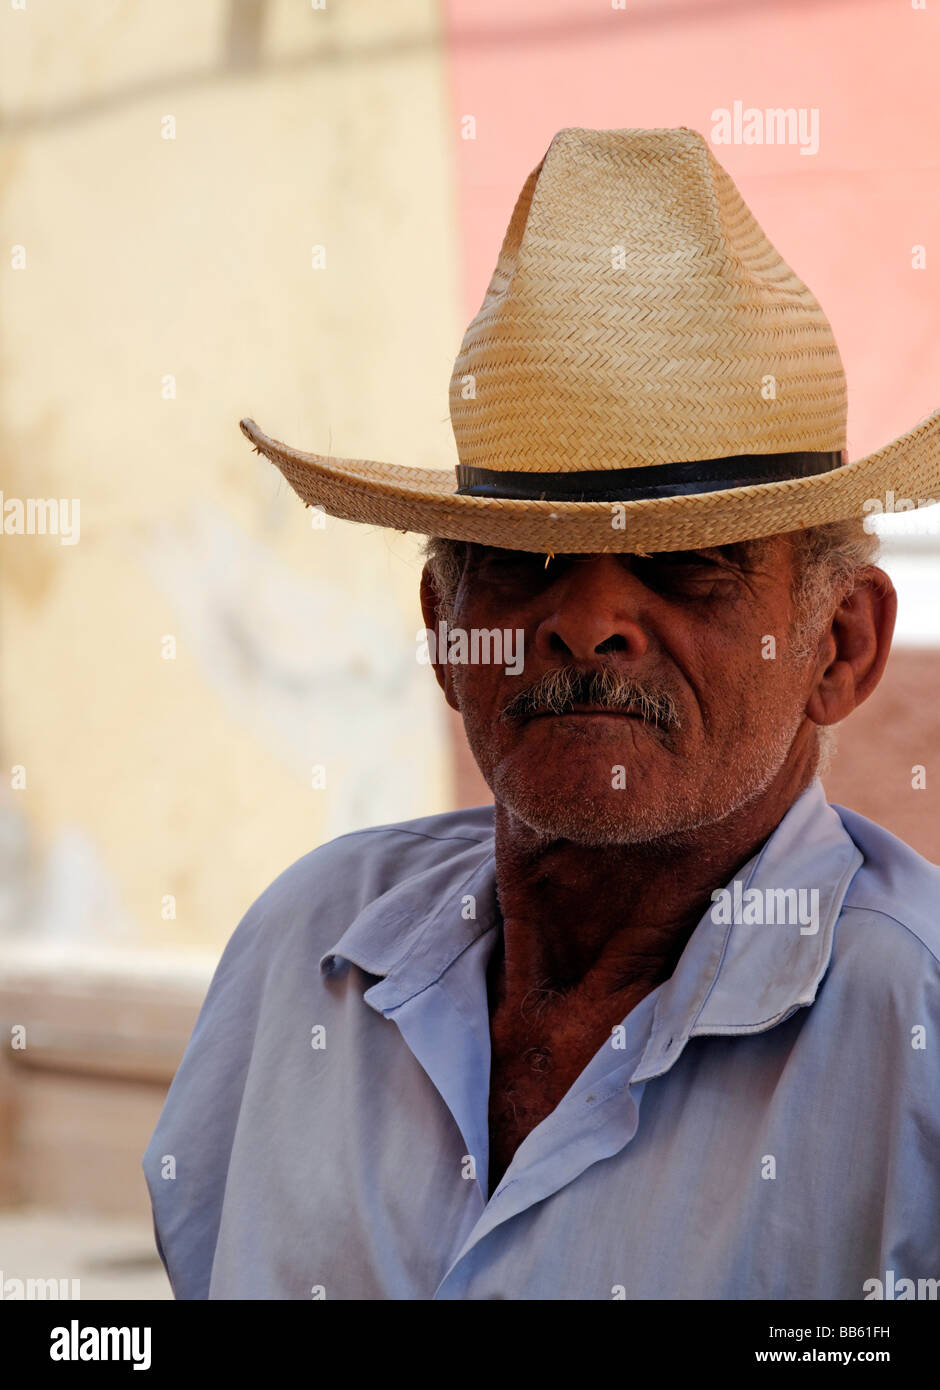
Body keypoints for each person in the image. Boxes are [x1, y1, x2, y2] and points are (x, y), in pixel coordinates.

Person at [144, 126, 940, 1299]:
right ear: (443, 628)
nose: (587, 622)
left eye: (686, 565)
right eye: (525, 563)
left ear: (841, 645)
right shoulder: (306, 950)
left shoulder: (911, 1030)